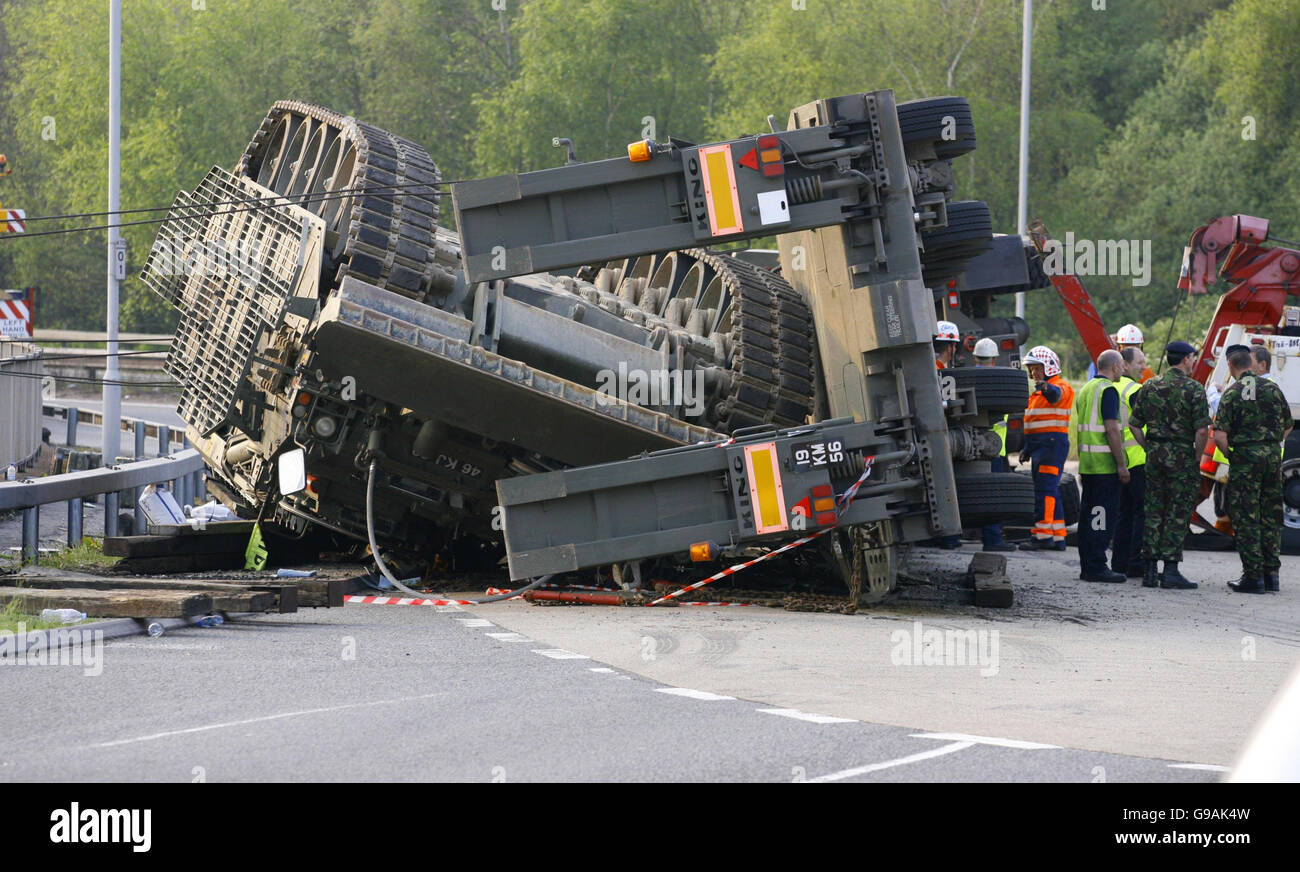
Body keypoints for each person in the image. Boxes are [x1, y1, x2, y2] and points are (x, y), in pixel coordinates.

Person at [1127, 341, 1211, 589]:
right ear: (1185, 359)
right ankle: (1171, 570)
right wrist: (1196, 457)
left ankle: (1150, 570)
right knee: (1177, 512)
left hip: (1155, 456)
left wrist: (1148, 447)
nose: (1194, 361)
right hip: (1183, 458)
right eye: (1193, 358)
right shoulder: (1194, 389)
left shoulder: (1150, 385)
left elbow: (1133, 424)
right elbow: (1202, 431)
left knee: (1154, 511)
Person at [1214, 347, 1293, 593]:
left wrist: (1233, 455)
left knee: (1246, 516)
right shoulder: (1272, 388)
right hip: (1271, 458)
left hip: (1245, 459)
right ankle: (1272, 576)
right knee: (1271, 516)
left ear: (1230, 365)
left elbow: (1220, 436)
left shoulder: (1232, 393)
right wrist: (1269, 444)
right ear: (1251, 362)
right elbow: (1288, 425)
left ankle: (1253, 577)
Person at [1075, 350, 1129, 582]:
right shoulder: (1108, 390)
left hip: (1087, 465)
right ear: (1115, 367)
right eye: (1123, 366)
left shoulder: (1086, 389)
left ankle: (1088, 564)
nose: (1125, 370)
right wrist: (1121, 465)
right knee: (1101, 518)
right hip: (1104, 468)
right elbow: (1111, 429)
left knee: (1088, 517)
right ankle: (1097, 566)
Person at [1020, 345, 1073, 551]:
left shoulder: (1061, 387)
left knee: (1045, 491)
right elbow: (1034, 425)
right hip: (1041, 447)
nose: (1034, 373)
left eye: (1037, 369)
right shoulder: (1036, 395)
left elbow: (1056, 395)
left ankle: (1042, 537)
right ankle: (1058, 537)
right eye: (1032, 369)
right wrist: (1027, 449)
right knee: (1051, 490)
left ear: (1049, 367)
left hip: (1052, 446)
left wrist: (1046, 387)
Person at [973, 338, 1015, 552]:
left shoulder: (967, 379)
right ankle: (993, 540)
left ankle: (954, 538)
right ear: (995, 358)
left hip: (970, 446)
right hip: (994, 448)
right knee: (993, 494)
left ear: (974, 357)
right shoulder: (1000, 380)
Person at [1111, 347, 1148, 578]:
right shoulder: (1134, 389)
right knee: (1141, 514)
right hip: (1137, 460)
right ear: (1124, 365)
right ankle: (1136, 563)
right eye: (1140, 362)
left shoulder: (1109, 387)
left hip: (1117, 460)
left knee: (1122, 515)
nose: (1144, 366)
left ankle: (1119, 563)